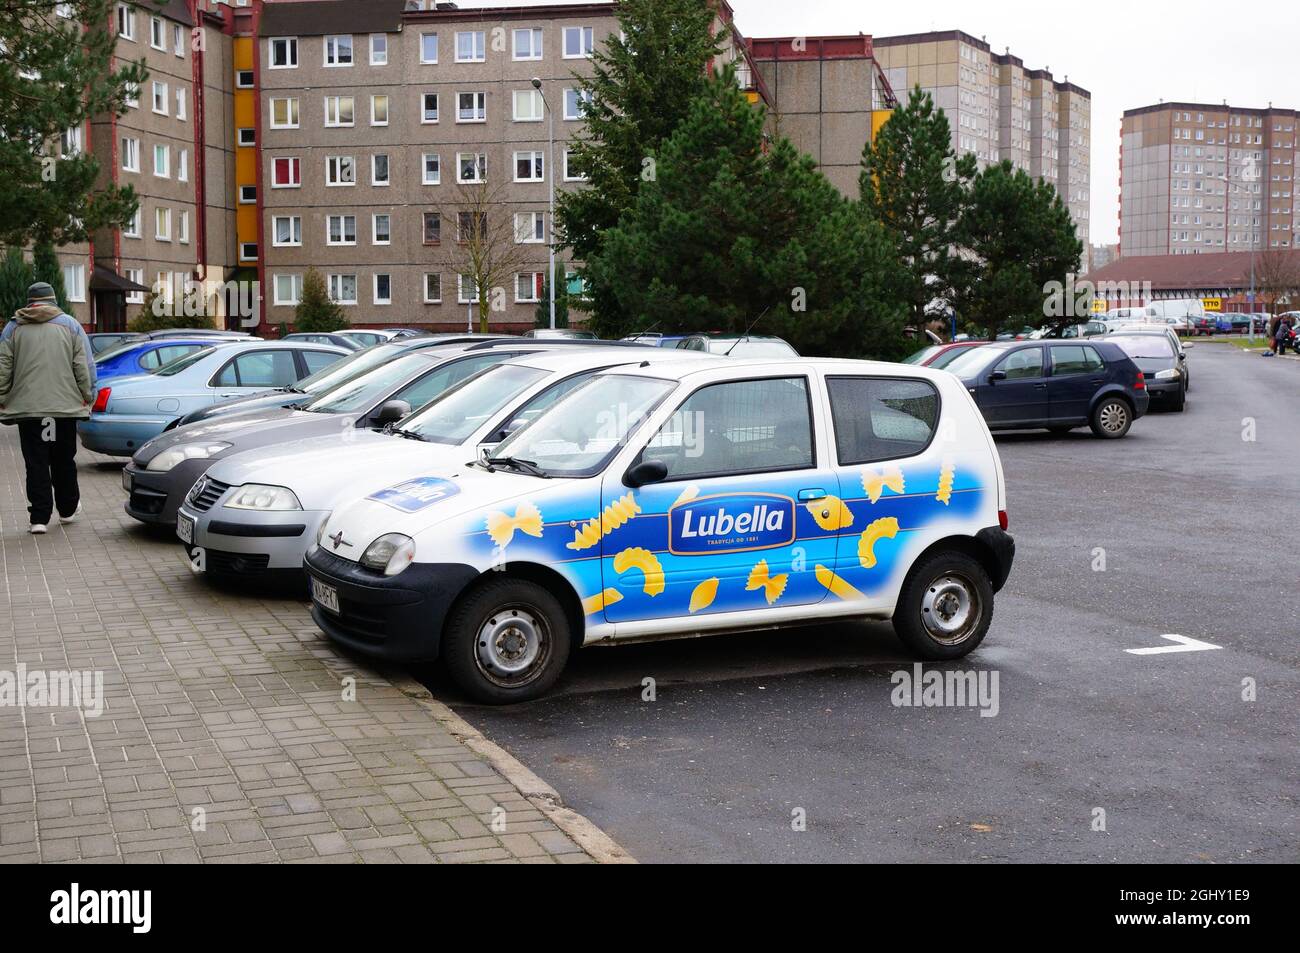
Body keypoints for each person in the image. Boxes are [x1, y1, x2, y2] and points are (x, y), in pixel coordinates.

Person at [0, 282, 94, 533]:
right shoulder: (71, 325)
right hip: (63, 409)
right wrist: (87, 395)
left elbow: (3, 368)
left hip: (29, 410)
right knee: (64, 460)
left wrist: (2, 398)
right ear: (53, 300)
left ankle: (39, 518)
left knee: (36, 462)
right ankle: (67, 510)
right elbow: (83, 365)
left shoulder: (13, 327)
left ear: (29, 301)